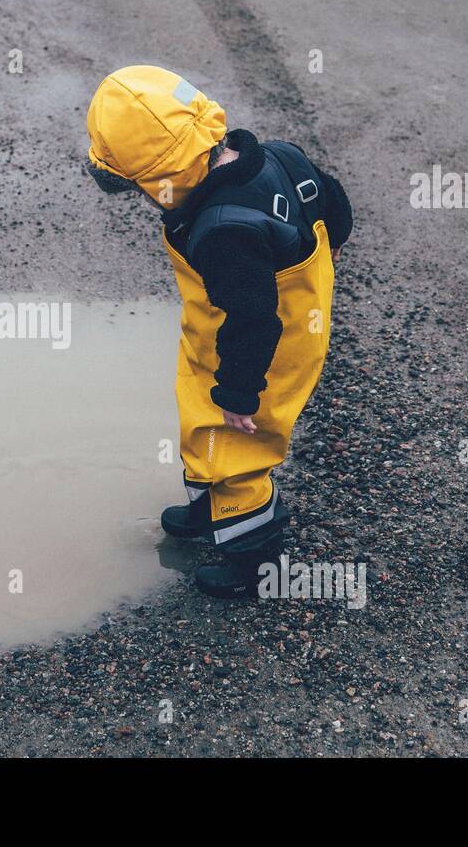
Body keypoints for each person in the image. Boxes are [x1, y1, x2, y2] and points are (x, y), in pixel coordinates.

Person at [85, 65, 353, 597]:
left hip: (260, 348)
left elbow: (254, 316)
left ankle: (251, 559)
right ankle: (211, 505)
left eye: (141, 187)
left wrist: (239, 389)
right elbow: (333, 200)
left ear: (165, 175)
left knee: (238, 443)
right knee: (200, 413)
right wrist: (333, 244)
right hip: (241, 329)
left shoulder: (224, 230)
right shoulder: (277, 155)